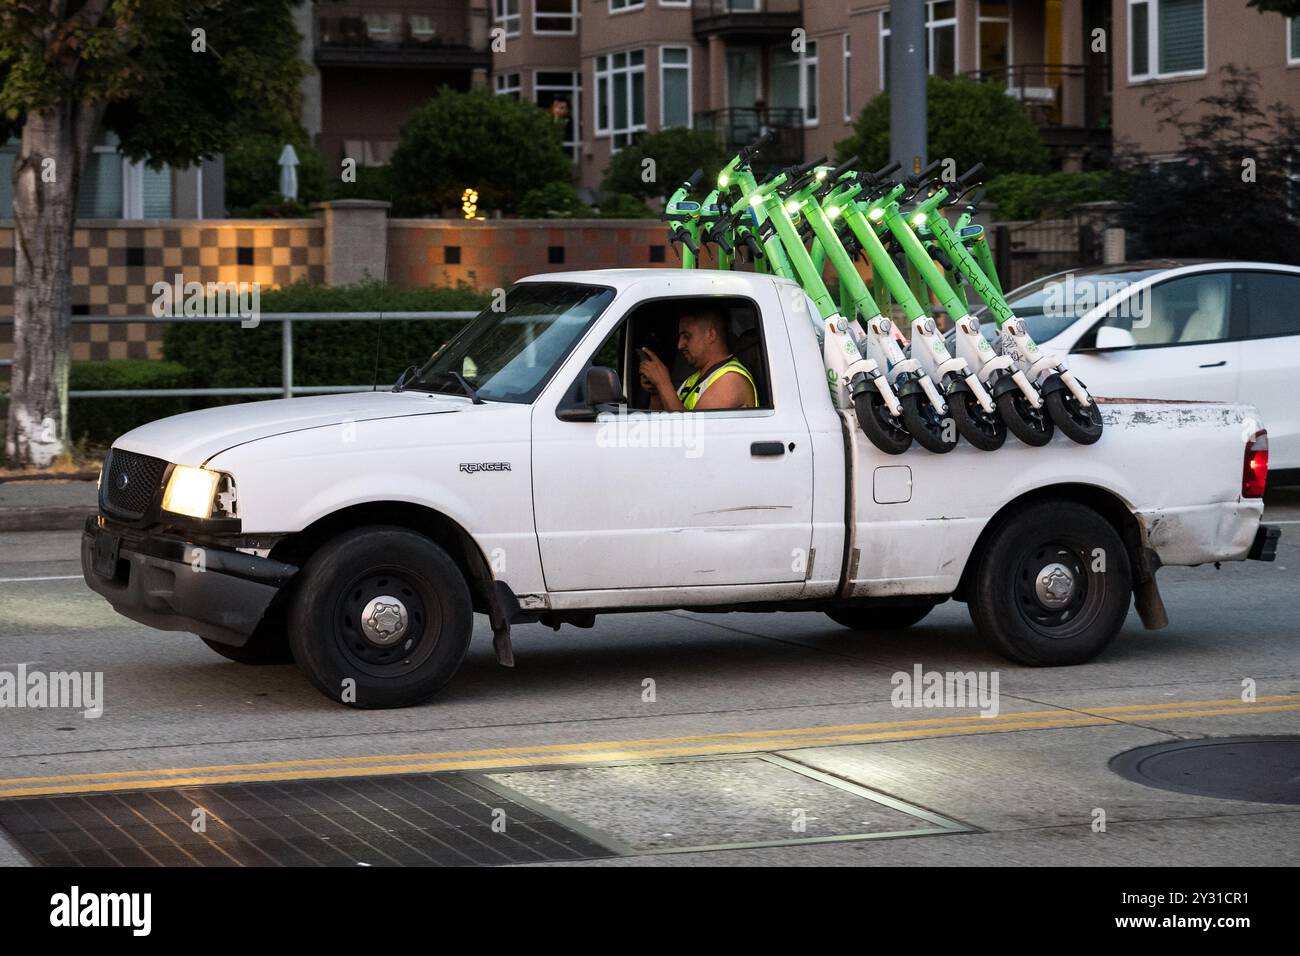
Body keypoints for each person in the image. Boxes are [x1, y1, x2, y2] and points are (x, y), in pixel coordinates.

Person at [639, 309, 757, 411]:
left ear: (711, 334)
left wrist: (663, 383)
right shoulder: (693, 379)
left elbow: (691, 430)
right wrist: (656, 391)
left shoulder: (731, 380)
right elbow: (661, 423)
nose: (680, 345)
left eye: (687, 336)